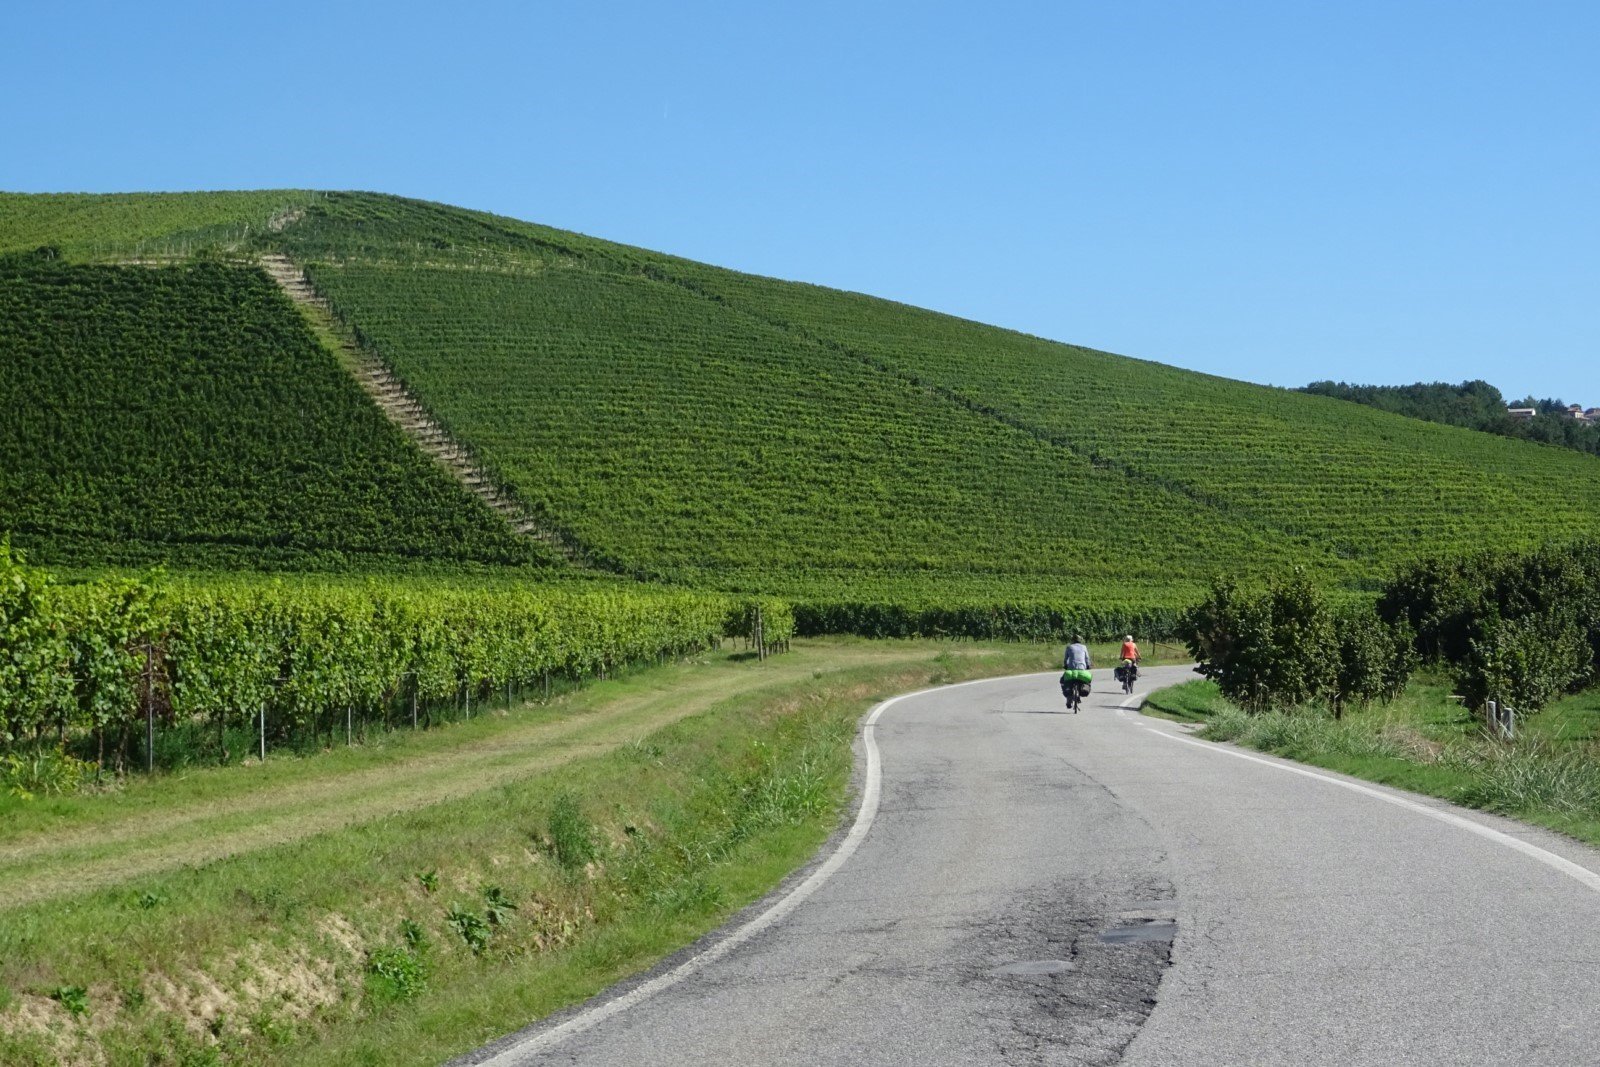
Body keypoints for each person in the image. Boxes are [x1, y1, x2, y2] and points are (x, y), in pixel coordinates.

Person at [1060, 635, 1092, 705]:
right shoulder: (1084, 647)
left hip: (1071, 670)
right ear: (1080, 640)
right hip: (1082, 669)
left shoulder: (1069, 647)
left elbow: (1065, 659)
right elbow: (1087, 658)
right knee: (1087, 681)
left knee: (1062, 680)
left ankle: (1068, 698)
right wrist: (1088, 665)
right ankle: (1081, 691)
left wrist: (1065, 665)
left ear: (1072, 640)